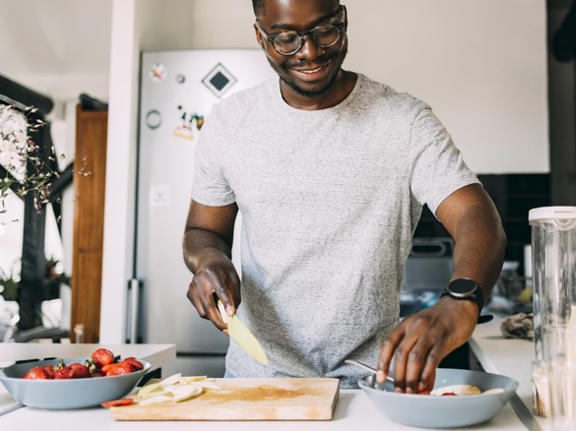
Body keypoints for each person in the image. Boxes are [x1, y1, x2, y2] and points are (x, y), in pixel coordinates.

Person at [182, 0, 506, 394]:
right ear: (259, 36)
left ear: (344, 18)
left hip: (372, 385)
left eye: (325, 30)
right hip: (257, 382)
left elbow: (476, 214)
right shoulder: (231, 122)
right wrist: (209, 259)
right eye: (286, 39)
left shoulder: (403, 122)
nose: (310, 51)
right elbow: (202, 230)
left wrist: (462, 299)